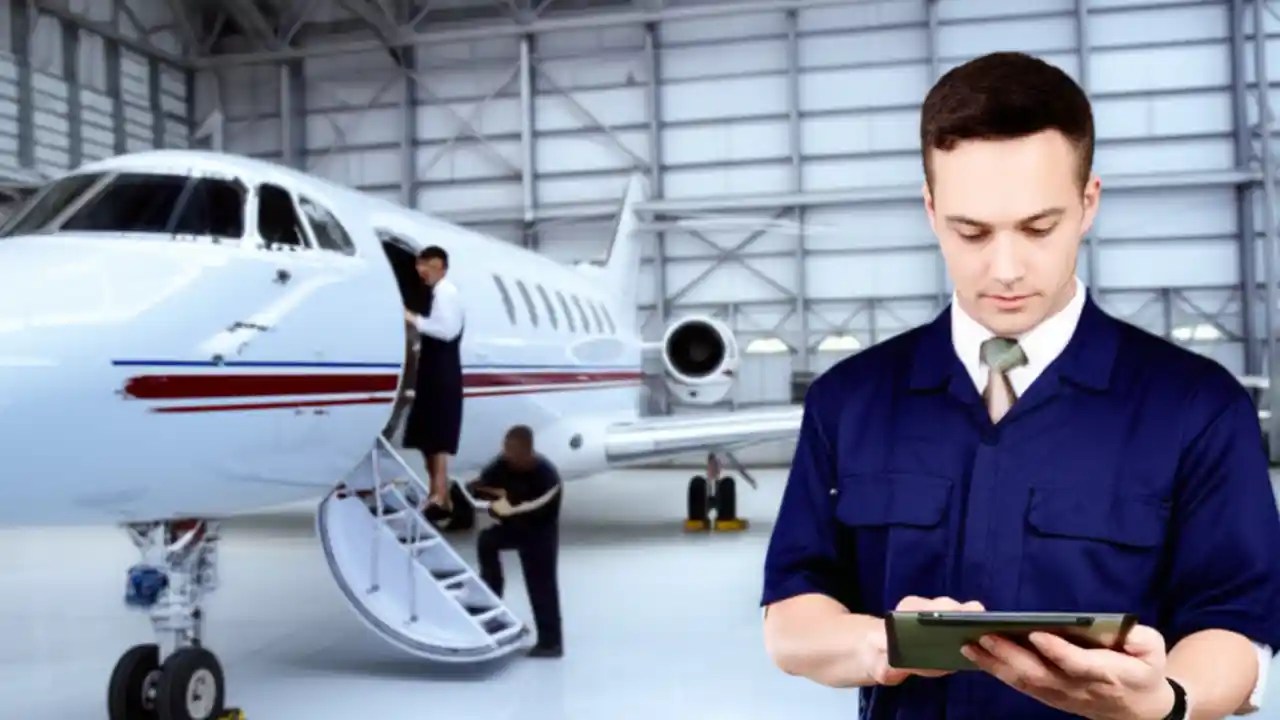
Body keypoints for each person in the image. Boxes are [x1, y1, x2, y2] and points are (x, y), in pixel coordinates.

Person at [760, 51, 1280, 720]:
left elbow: (1238, 623)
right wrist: (881, 643)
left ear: (1088, 203)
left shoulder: (1197, 407)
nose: (1005, 268)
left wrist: (1168, 699)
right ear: (931, 210)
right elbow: (791, 614)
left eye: (1038, 228)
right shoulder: (849, 401)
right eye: (971, 231)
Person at [469, 425, 564, 658]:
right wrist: (475, 491)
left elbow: (534, 511)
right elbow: (481, 487)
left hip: (540, 532)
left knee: (541, 585)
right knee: (487, 541)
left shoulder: (547, 477)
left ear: (527, 451)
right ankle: (492, 591)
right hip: (514, 526)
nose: (507, 455)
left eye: (512, 451)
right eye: (506, 449)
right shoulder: (501, 465)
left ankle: (551, 643)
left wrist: (503, 507)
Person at [402, 245, 464, 526]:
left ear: (441, 267)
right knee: (428, 436)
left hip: (442, 371)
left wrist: (412, 318)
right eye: (420, 266)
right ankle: (441, 496)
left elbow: (445, 330)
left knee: (437, 437)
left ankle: (439, 495)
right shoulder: (435, 292)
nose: (423, 272)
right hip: (432, 370)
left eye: (428, 266)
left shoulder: (446, 292)